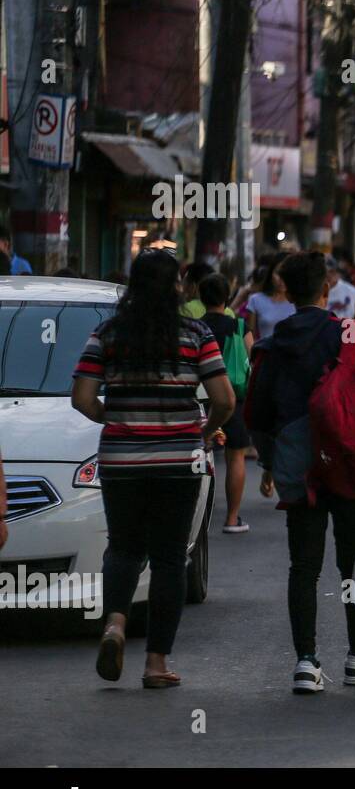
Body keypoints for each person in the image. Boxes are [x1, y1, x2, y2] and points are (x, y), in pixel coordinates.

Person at [72, 248, 235, 688]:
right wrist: (203, 431)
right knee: (168, 559)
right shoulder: (196, 334)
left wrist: (117, 418)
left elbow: (82, 398)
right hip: (177, 461)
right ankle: (156, 663)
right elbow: (225, 400)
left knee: (123, 548)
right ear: (177, 286)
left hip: (121, 460)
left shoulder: (108, 333)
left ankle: (115, 624)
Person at [244, 251, 355, 693]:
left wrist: (270, 463)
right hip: (353, 466)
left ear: (285, 292)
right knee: (353, 563)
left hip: (299, 470)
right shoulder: (354, 335)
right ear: (328, 287)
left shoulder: (272, 347)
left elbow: (257, 413)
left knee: (304, 567)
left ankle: (306, 663)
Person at [198, 272, 255, 535]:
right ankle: (232, 519)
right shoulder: (239, 327)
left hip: (200, 397)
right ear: (227, 298)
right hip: (233, 398)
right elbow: (250, 362)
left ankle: (194, 521)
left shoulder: (194, 327)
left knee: (197, 456)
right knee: (235, 456)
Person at [245, 252, 296, 340]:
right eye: (278, 273)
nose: (282, 279)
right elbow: (250, 338)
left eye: (286, 274)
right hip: (265, 352)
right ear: (271, 273)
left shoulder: (298, 301)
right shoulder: (256, 300)